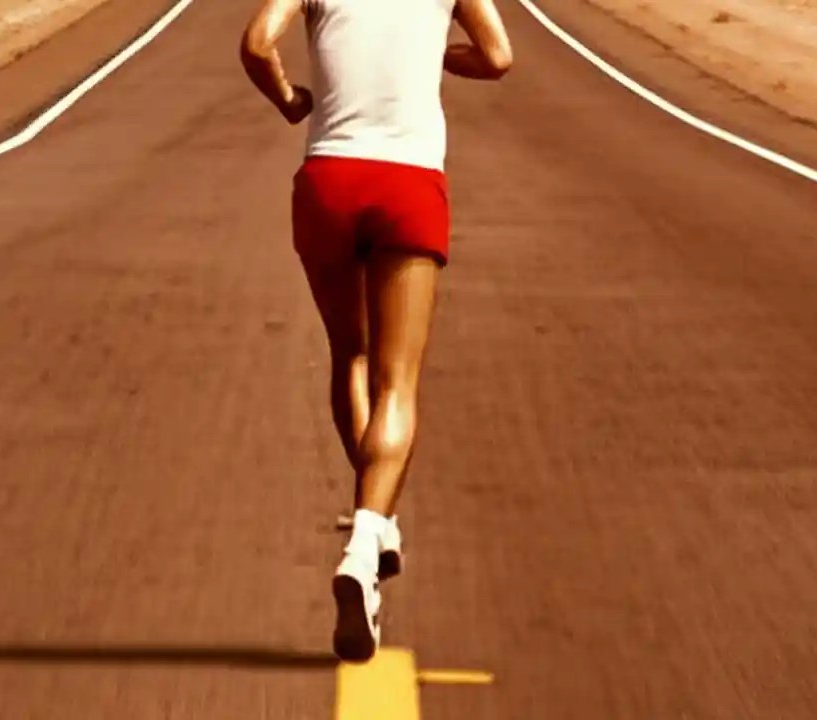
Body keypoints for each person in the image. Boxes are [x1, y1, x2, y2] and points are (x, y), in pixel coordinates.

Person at [240, 0, 512, 662]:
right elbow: (499, 57)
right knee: (400, 383)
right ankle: (365, 544)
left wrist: (289, 100)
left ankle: (376, 524)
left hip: (330, 177)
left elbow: (256, 44)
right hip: (409, 181)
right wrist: (434, 56)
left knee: (351, 356)